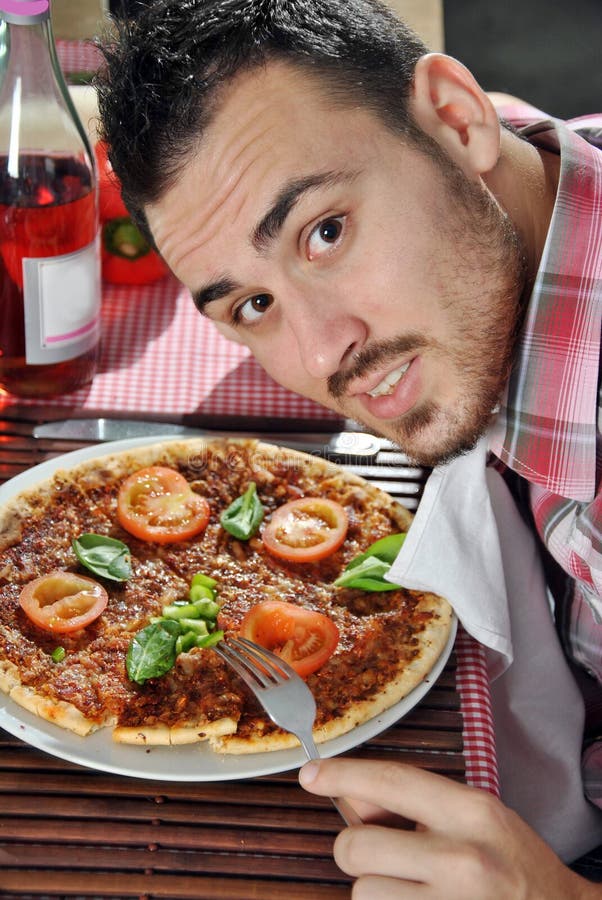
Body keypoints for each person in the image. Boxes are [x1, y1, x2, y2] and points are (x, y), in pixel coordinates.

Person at [95, 0, 602, 895]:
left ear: (457, 117)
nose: (324, 354)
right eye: (252, 306)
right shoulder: (515, 166)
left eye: (324, 233)